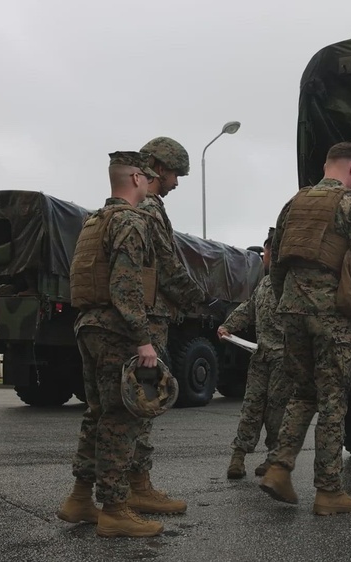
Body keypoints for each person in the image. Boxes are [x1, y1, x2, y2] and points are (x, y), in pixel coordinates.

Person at [260, 142, 351, 516]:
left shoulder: (293, 204)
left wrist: (287, 303)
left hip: (292, 310)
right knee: (333, 399)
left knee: (303, 394)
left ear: (326, 165)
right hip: (331, 316)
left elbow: (276, 265)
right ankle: (329, 491)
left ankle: (279, 468)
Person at [57, 151, 166, 538]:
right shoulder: (130, 221)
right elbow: (125, 285)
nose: (150, 184)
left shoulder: (94, 221)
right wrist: (143, 338)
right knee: (121, 419)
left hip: (89, 325)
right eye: (147, 178)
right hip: (117, 330)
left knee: (97, 413)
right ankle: (115, 509)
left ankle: (79, 498)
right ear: (136, 179)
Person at [128, 137, 205, 515]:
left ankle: (100, 489)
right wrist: (198, 300)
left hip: (136, 316)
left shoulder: (130, 205)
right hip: (149, 319)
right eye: (175, 175)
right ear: (159, 168)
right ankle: (137, 486)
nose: (176, 183)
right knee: (145, 403)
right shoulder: (149, 208)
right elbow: (168, 265)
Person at [218, 227, 290, 479]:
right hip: (261, 358)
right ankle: (238, 457)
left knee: (277, 411)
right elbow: (249, 309)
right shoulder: (265, 284)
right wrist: (228, 326)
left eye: (266, 251)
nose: (263, 257)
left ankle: (274, 459)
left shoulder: (291, 285)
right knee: (251, 407)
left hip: (283, 361)